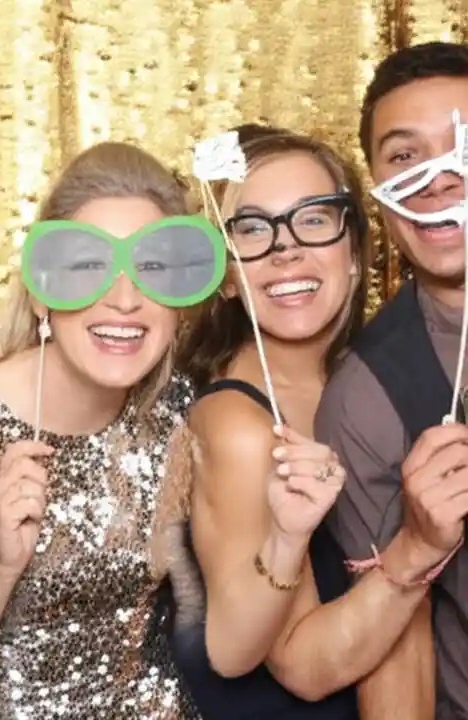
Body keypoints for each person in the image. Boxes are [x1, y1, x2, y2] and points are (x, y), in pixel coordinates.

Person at [0, 141, 216, 719]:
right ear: (41, 293)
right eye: (90, 268)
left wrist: (281, 542)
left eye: (151, 270)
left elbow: (205, 634)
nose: (125, 300)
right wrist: (4, 564)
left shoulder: (177, 412)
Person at [170, 125, 413, 719]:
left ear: (355, 249)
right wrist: (423, 545)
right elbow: (298, 668)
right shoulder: (238, 424)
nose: (285, 249)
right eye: (251, 229)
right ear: (224, 275)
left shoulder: (378, 384)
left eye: (313, 218)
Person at [314, 41, 468, 720]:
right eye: (405, 157)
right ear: (377, 197)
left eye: (461, 143)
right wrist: (420, 541)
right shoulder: (366, 392)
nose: (437, 178)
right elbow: (393, 661)